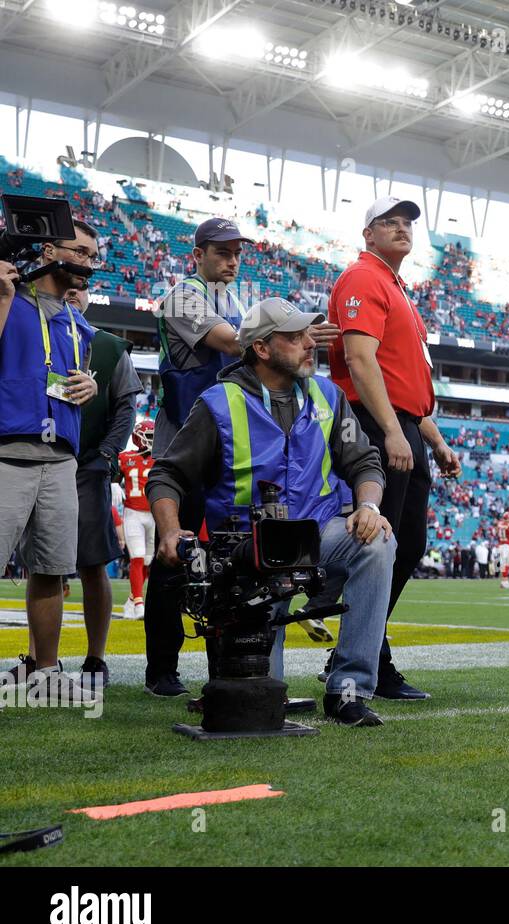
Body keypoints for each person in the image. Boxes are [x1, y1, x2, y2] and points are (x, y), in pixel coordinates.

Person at [146, 297, 395, 726]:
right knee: (258, 697)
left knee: (377, 543)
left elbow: (365, 462)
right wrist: (171, 532)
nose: (308, 344)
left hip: (316, 536)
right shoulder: (218, 403)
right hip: (244, 550)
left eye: (307, 335)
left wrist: (369, 506)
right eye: (295, 337)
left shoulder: (329, 396)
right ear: (261, 348)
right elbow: (166, 475)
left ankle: (348, 689)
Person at [319, 197, 460, 701]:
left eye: (408, 224)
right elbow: (360, 361)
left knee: (408, 545)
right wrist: (392, 430)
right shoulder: (363, 277)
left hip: (401, 423)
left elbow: (404, 377)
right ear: (368, 234)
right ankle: (362, 654)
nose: (403, 230)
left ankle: (361, 647)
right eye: (390, 223)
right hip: (377, 424)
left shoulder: (393, 285)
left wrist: (434, 438)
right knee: (381, 544)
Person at [144, 218, 258, 697]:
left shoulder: (232, 299)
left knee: (229, 555)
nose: (231, 260)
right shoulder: (183, 295)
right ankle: (161, 669)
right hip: (186, 440)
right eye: (221, 252)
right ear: (198, 254)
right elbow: (234, 343)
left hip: (227, 442)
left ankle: (227, 662)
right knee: (175, 553)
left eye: (236, 253)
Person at [0, 222, 101, 700]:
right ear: (47, 250)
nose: (88, 263)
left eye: (93, 255)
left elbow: (46, 381)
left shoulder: (75, 320)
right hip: (7, 451)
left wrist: (89, 386)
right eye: (80, 252)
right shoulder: (10, 298)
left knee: (51, 569)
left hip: (60, 458)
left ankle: (45, 673)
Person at [68, 285, 142, 689]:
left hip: (85, 465)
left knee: (92, 563)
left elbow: (125, 406)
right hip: (32, 456)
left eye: (81, 284)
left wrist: (107, 455)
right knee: (42, 568)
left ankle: (96, 658)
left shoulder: (110, 347)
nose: (72, 291)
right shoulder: (22, 332)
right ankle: (38, 658)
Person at [118, 420, 155, 620]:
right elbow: (112, 475)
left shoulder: (162, 458)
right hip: (133, 513)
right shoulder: (125, 457)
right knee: (138, 557)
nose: (152, 441)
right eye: (148, 436)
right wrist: (114, 483)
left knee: (149, 562)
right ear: (138, 438)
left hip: (154, 515)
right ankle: (140, 603)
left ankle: (133, 598)